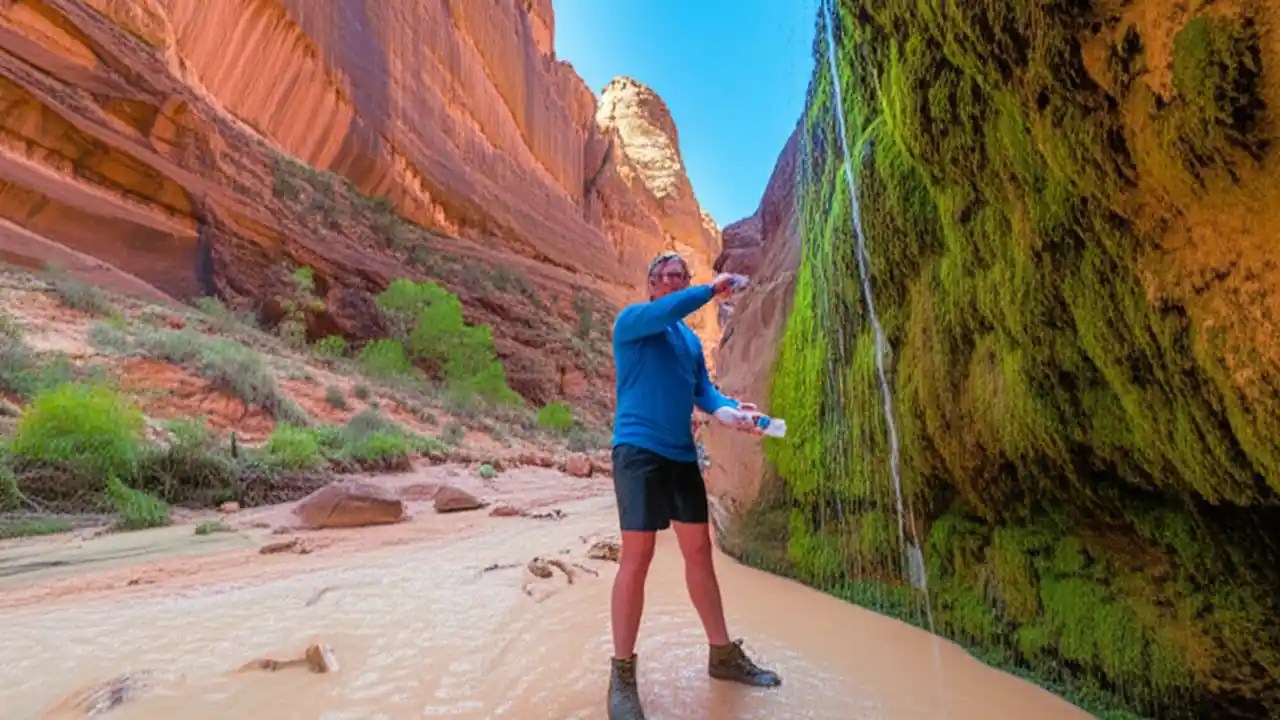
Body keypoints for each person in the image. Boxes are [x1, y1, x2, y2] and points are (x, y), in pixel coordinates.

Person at [606, 251, 781, 720]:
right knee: (637, 556)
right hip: (638, 450)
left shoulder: (688, 343)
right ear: (652, 284)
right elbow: (671, 310)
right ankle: (622, 673)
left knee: (699, 552)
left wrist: (735, 414)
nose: (674, 280)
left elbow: (705, 394)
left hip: (681, 454)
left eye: (682, 275)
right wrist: (709, 290)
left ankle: (722, 655)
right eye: (666, 275)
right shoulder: (635, 321)